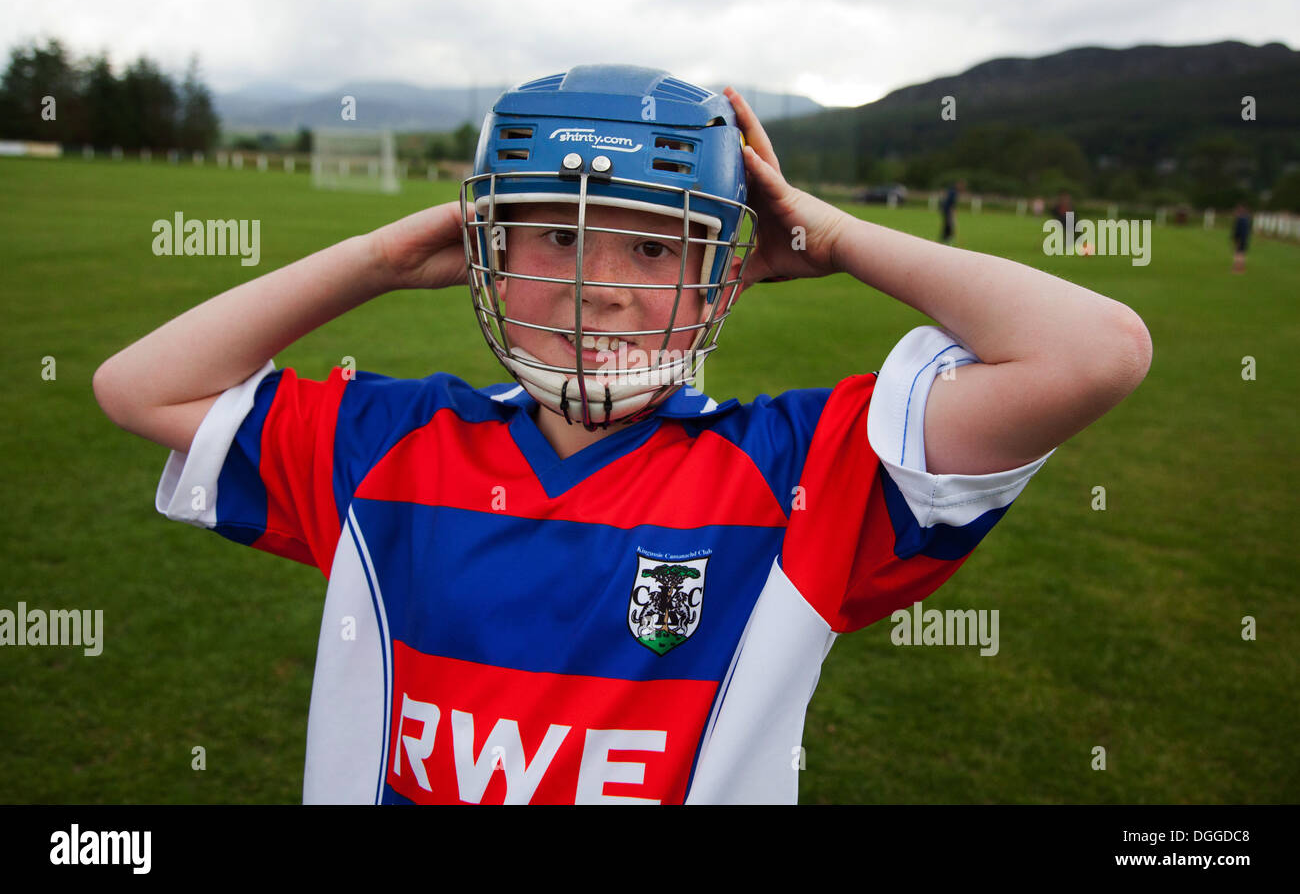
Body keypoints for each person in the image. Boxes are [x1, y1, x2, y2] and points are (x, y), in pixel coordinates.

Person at [92, 65, 1152, 804]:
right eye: (557, 234)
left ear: (721, 272)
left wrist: (832, 235)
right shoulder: (389, 444)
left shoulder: (797, 476)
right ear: (487, 251)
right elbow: (136, 387)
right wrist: (372, 257)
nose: (596, 290)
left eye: (653, 250)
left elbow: (1094, 350)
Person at [939, 179, 965, 243]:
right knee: (949, 223)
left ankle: (946, 237)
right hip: (947, 209)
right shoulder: (953, 192)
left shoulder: (951, 190)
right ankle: (947, 238)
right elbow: (951, 203)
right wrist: (953, 211)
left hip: (945, 208)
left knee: (948, 223)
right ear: (958, 185)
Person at [1231, 202, 1251, 274]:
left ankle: (1238, 269)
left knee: (1238, 254)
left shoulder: (1240, 220)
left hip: (1240, 239)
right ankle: (1241, 268)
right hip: (1244, 239)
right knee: (1242, 253)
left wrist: (1236, 240)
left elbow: (1238, 231)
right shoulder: (1246, 219)